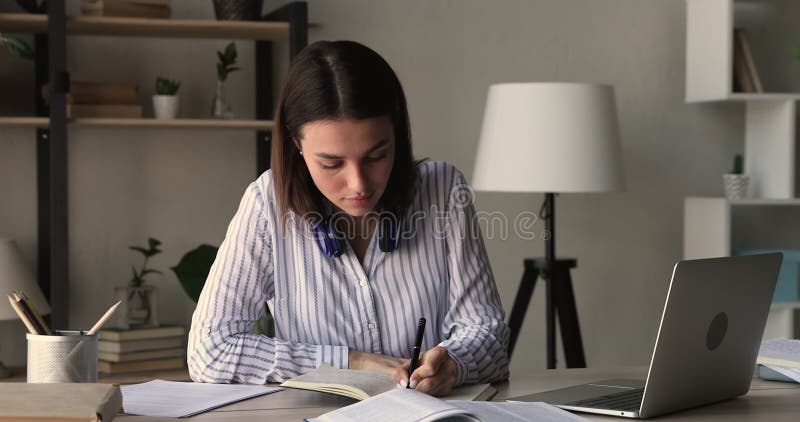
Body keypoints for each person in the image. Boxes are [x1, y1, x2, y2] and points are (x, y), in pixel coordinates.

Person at [188, 40, 509, 396]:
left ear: (397, 136)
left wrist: (454, 362)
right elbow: (210, 352)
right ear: (296, 144)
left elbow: (489, 335)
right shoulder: (267, 204)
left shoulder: (444, 189)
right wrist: (350, 361)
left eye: (377, 156)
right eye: (331, 163)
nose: (358, 184)